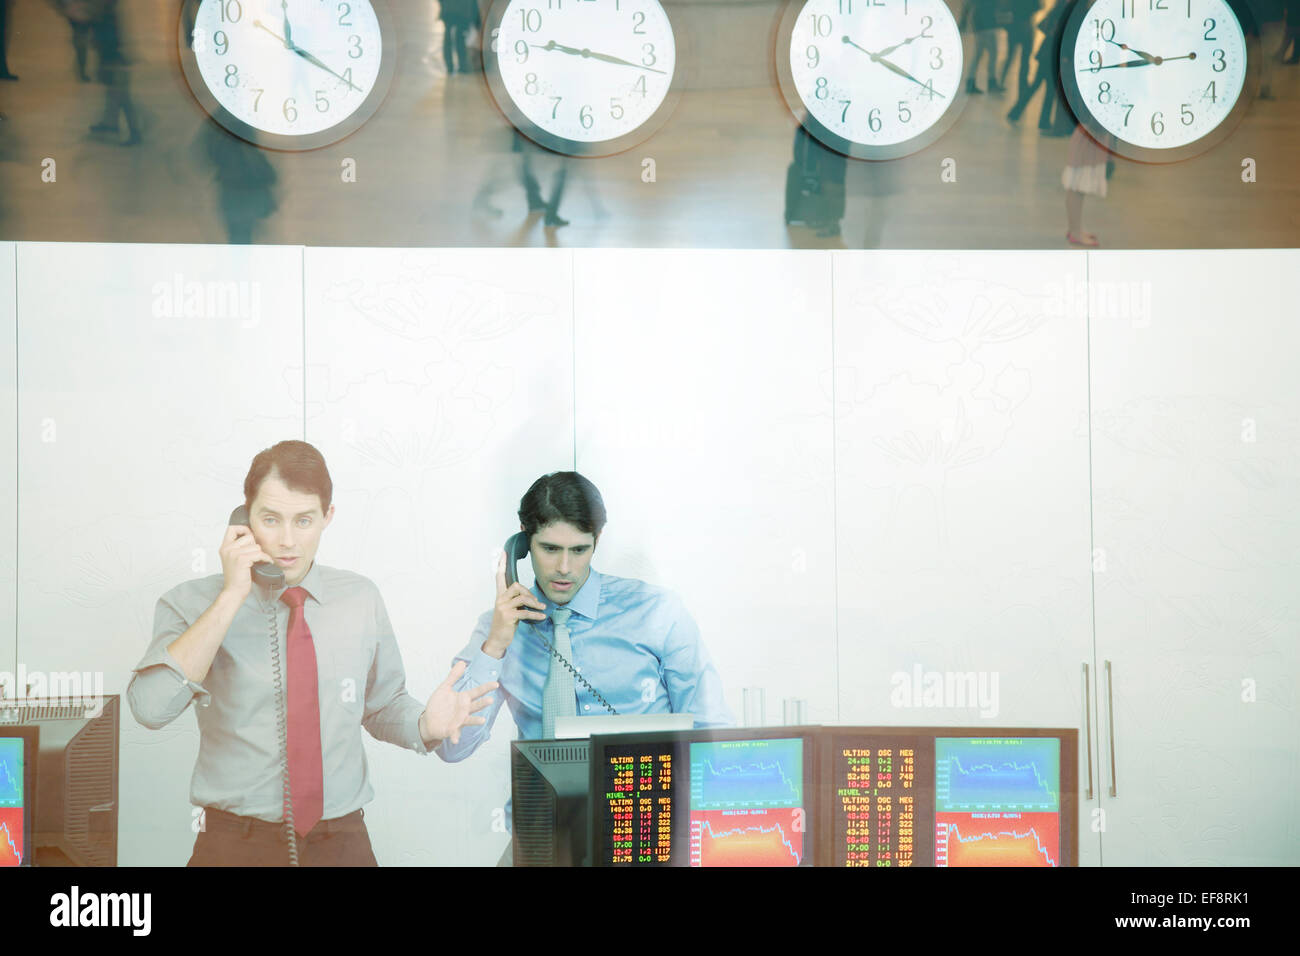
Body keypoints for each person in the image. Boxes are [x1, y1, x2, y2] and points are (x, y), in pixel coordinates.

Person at [128, 440, 497, 866]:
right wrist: (231, 595)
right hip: (233, 844)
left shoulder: (360, 598)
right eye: (270, 519)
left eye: (304, 520)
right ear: (244, 519)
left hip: (342, 842)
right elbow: (150, 709)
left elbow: (382, 705)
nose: (287, 540)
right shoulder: (191, 603)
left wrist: (425, 725)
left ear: (327, 516)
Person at [436, 472, 733, 859]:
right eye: (550, 548)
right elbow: (452, 747)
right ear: (522, 543)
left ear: (598, 540)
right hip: (543, 843)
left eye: (579, 550)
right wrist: (495, 646)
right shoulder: (498, 629)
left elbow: (713, 735)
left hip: (644, 837)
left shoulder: (657, 612)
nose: (564, 567)